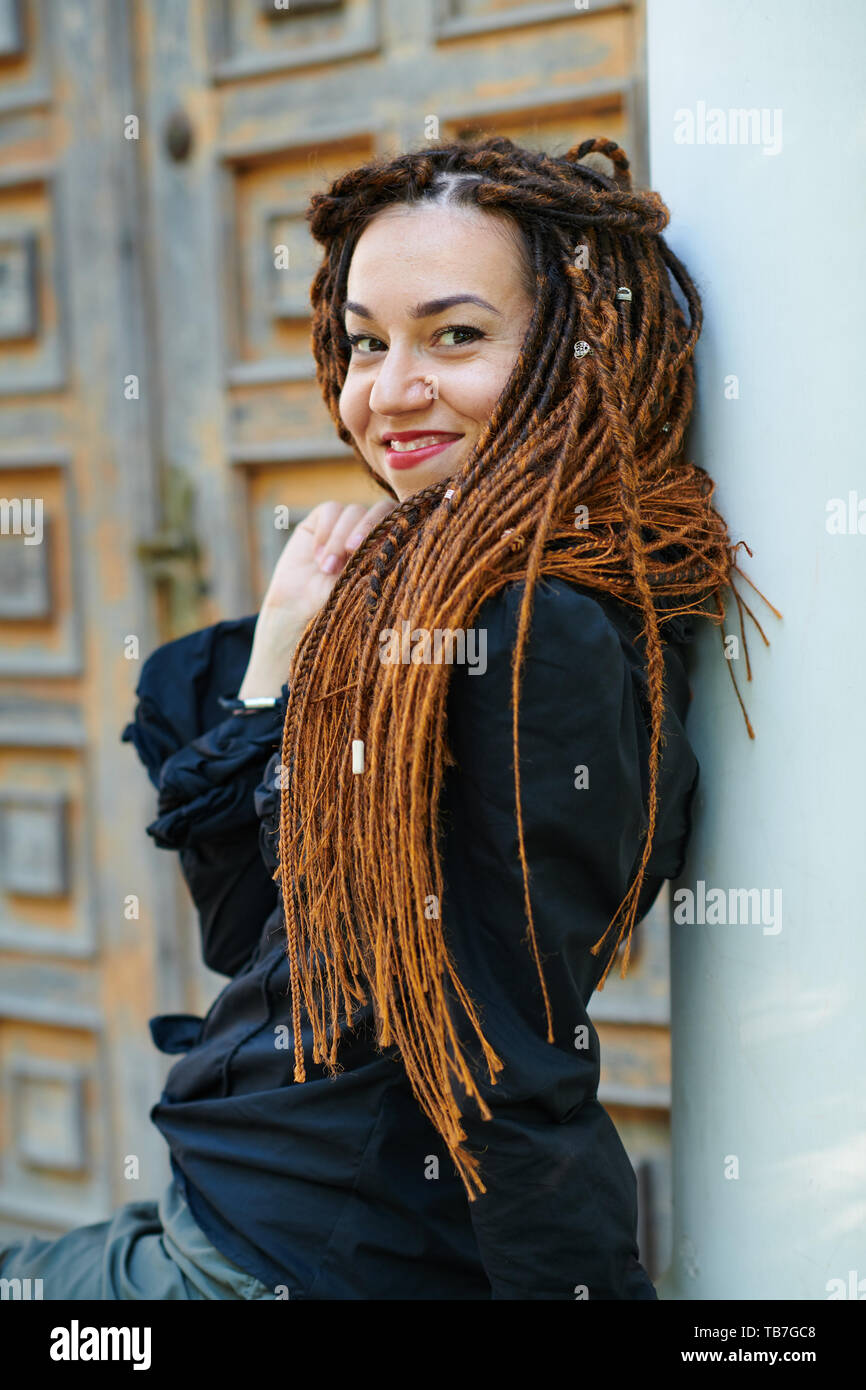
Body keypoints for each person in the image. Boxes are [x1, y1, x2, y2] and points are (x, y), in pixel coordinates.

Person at [0, 135, 763, 1300]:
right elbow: (250, 927)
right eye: (365, 341)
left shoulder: (525, 629)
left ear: (576, 352)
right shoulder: (408, 597)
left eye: (454, 335)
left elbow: (499, 1050)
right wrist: (274, 655)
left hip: (285, 1262)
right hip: (241, 1213)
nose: (387, 390)